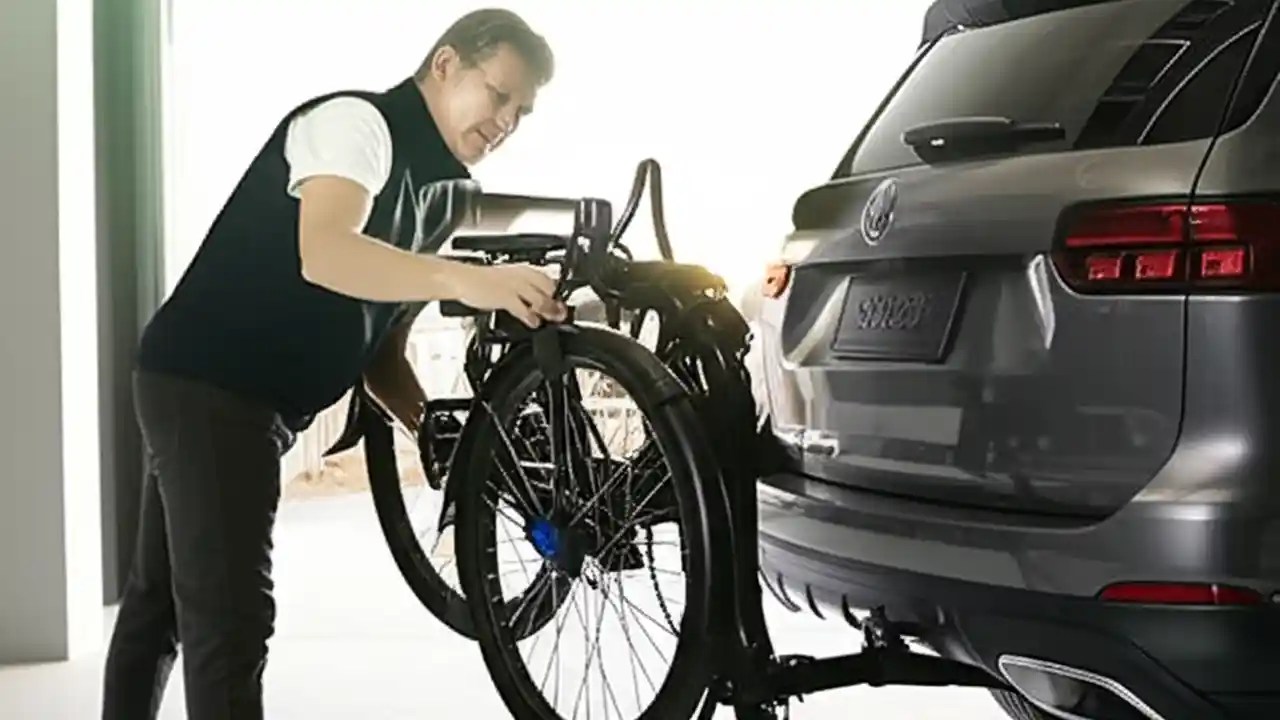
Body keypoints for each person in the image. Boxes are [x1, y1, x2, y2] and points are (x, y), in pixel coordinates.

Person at [101, 9, 564, 720]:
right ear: (445, 65)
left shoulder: (433, 197)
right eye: (498, 95)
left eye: (522, 112)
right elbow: (326, 252)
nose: (506, 122)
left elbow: (377, 348)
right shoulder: (357, 125)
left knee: (156, 605)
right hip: (215, 384)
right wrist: (468, 279)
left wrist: (427, 423)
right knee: (230, 621)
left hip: (213, 387)